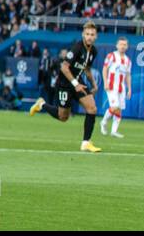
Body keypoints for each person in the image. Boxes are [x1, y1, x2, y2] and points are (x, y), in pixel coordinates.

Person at [29, 22, 102, 152]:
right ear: (83, 35)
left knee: (92, 108)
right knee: (63, 117)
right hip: (65, 84)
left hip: (77, 82)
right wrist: (75, 84)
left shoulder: (93, 51)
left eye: (92, 34)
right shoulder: (77, 48)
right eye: (87, 34)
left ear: (96, 36)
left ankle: (86, 143)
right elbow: (64, 67)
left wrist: (94, 85)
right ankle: (41, 104)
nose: (89, 37)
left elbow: (87, 69)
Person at [100, 37, 131, 137]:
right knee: (114, 107)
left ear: (127, 46)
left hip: (121, 87)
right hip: (111, 85)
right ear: (117, 45)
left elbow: (128, 75)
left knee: (119, 109)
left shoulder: (127, 60)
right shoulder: (111, 56)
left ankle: (114, 131)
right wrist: (105, 82)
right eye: (121, 44)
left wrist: (129, 89)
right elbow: (105, 69)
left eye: (125, 45)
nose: (123, 46)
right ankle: (103, 122)